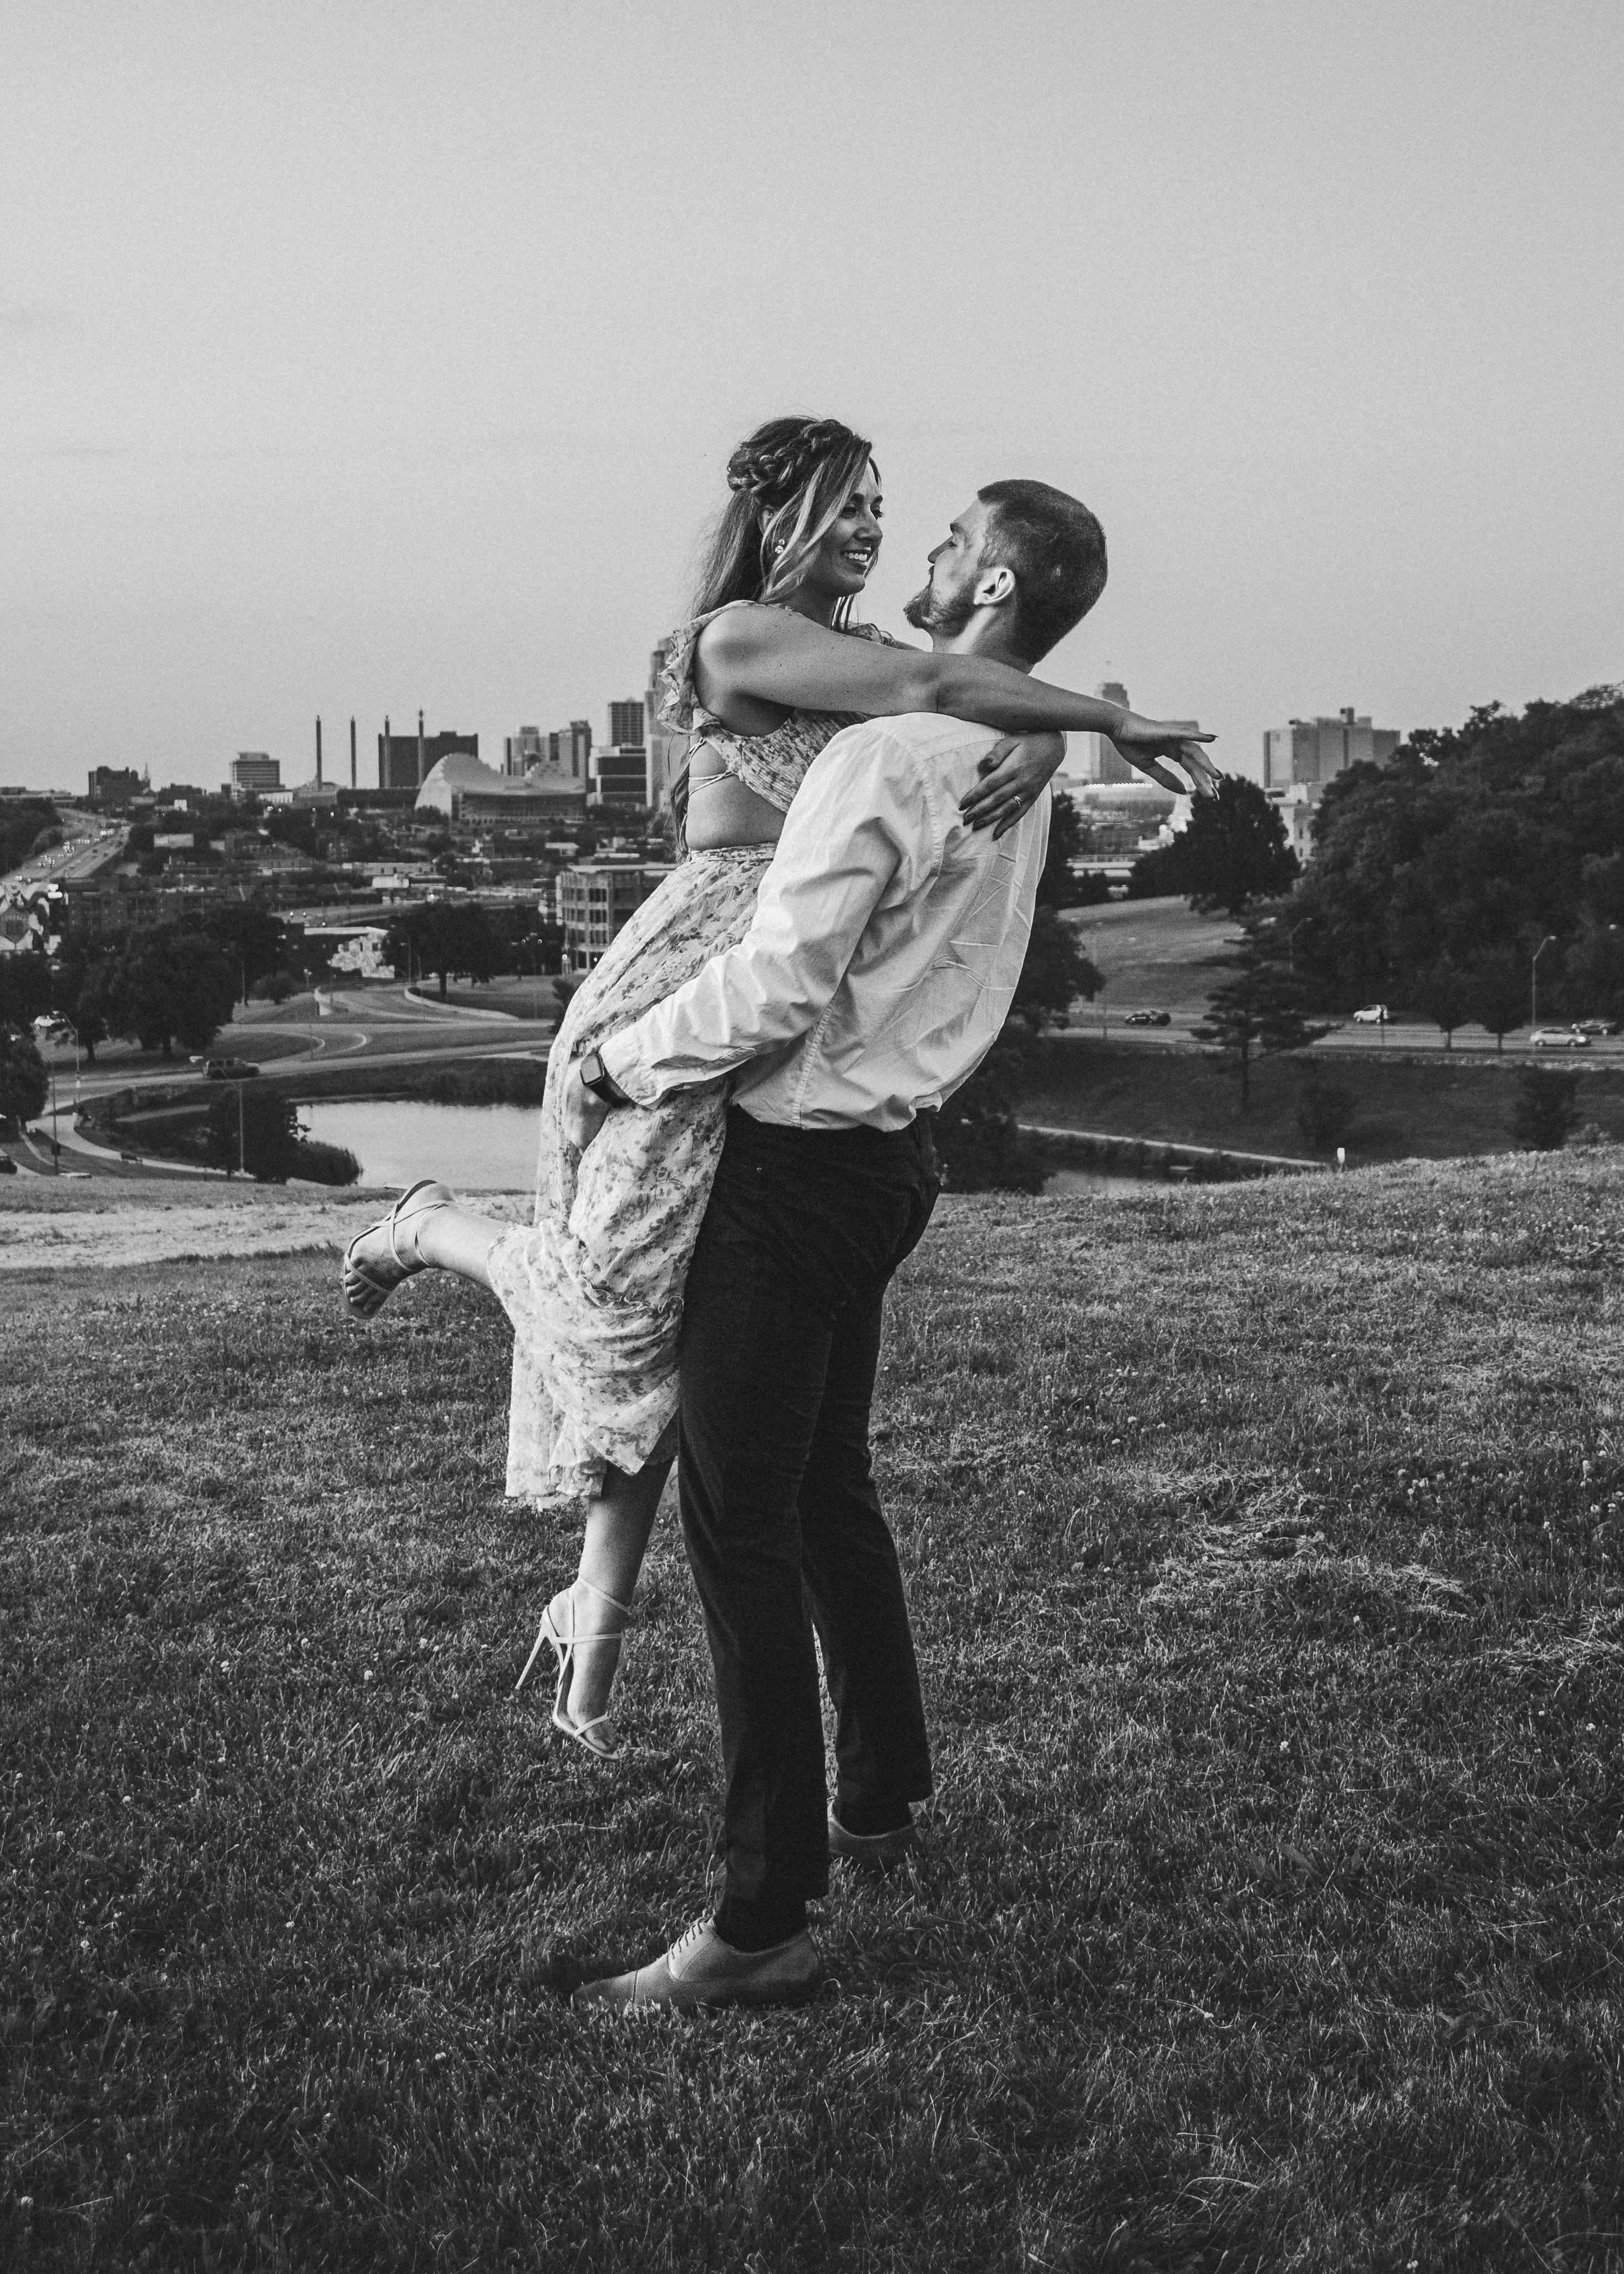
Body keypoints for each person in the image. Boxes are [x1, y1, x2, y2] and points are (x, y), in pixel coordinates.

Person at [340, 416, 1214, 1761]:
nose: (873, 527)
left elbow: (956, 691)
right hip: (675, 1000)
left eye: (888, 507)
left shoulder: (868, 668)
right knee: (615, 1300)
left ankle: (592, 1628)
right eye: (850, 504)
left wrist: (1038, 740)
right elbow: (947, 676)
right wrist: (1091, 717)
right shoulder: (740, 637)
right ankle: (430, 1225)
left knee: (676, 1330)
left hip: (760, 1013)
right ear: (780, 509)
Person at [567, 475, 1201, 2008]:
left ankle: (762, 1914)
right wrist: (1061, 722)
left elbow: (779, 985)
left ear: (988, 583)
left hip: (793, 1170)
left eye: (940, 541)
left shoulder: (882, 755)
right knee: (831, 1483)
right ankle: (882, 1788)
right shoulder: (1011, 758)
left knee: (742, 1525)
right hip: (893, 1164)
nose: (911, 551)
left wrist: (622, 1057)